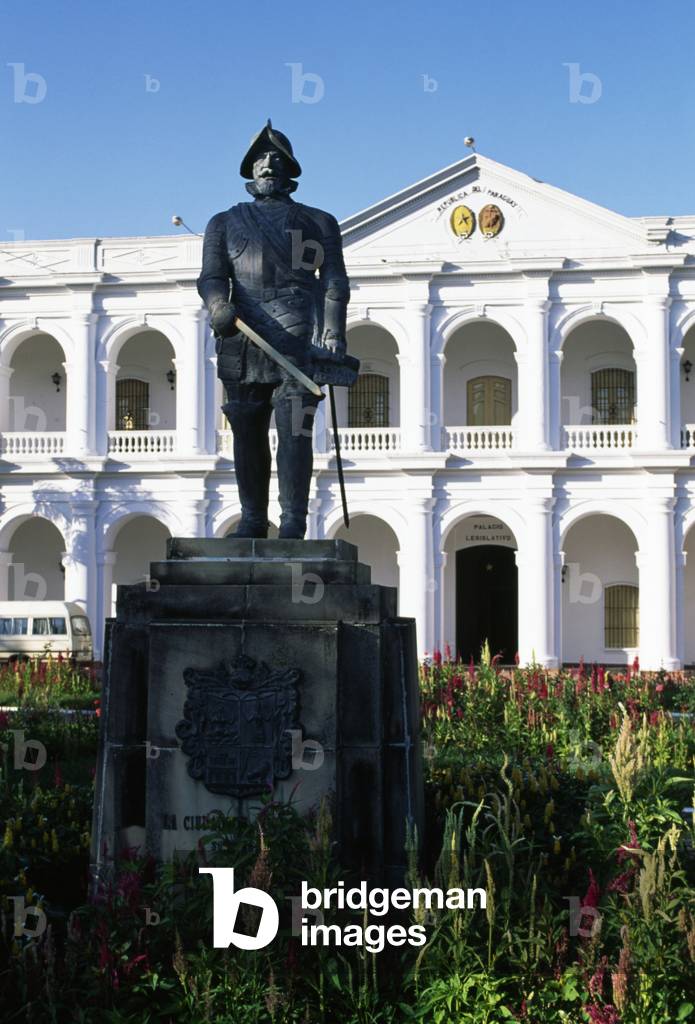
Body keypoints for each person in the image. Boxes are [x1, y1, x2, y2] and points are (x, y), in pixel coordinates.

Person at [197, 121, 351, 539]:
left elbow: (333, 280)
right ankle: (251, 517)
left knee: (294, 430)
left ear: (290, 171)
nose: (268, 166)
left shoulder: (319, 221)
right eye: (261, 160)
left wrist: (333, 334)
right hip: (243, 335)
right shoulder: (224, 223)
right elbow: (211, 276)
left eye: (276, 160)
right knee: (246, 429)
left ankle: (293, 521)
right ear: (249, 170)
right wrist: (216, 304)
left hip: (296, 336)